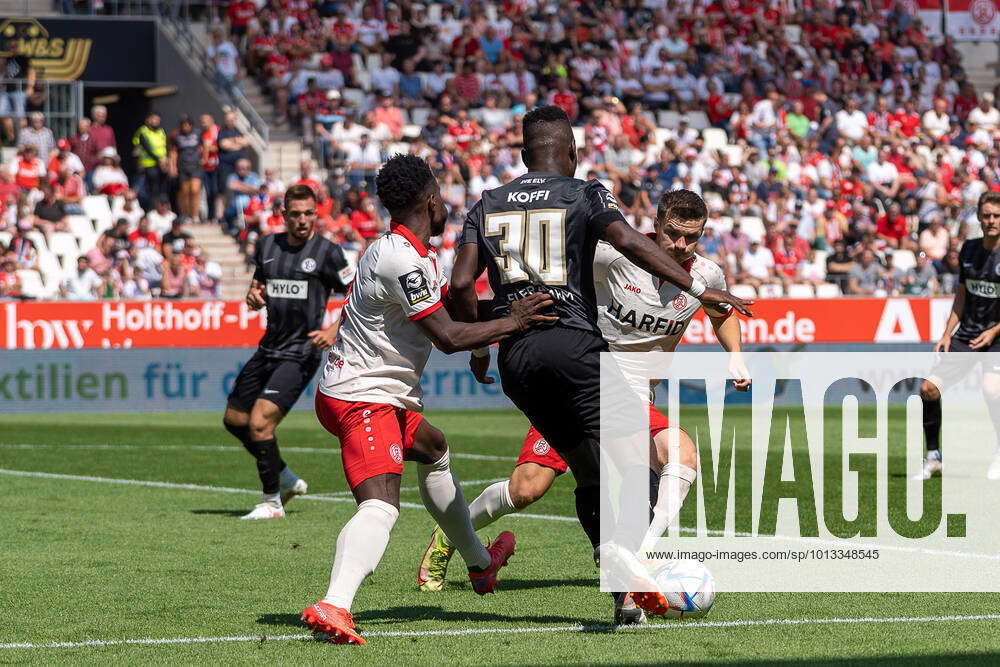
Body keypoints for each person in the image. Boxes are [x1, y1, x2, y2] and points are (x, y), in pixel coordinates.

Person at [447, 106, 751, 623]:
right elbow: (629, 242)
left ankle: (622, 593)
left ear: (523, 155)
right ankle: (625, 570)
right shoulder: (584, 192)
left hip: (516, 359)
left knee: (589, 474)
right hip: (578, 351)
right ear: (572, 153)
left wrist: (481, 347)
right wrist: (700, 287)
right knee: (640, 474)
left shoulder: (487, 202)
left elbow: (458, 287)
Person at [301, 154, 556, 645]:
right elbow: (447, 336)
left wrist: (510, 309)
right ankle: (335, 604)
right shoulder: (400, 257)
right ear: (430, 199)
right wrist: (516, 321)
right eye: (441, 195)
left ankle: (481, 565)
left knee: (434, 447)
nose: (445, 205)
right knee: (381, 508)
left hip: (370, 393)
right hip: (363, 397)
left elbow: (450, 311)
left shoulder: (406, 251)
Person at [223, 184, 355, 520]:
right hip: (269, 346)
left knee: (259, 423)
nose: (303, 220)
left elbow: (357, 297)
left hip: (302, 351)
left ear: (316, 214)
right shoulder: (267, 245)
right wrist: (253, 296)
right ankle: (284, 477)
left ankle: (271, 502)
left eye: (309, 213)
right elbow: (258, 286)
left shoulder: (328, 252)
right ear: (284, 215)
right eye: (295, 214)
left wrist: (331, 329)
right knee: (234, 420)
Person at [918, 192, 1000, 481]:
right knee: (928, 389)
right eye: (986, 215)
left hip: (997, 335)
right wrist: (946, 333)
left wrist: (993, 331)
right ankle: (933, 457)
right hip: (967, 334)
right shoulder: (969, 250)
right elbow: (961, 297)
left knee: (992, 390)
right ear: (978, 217)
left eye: (996, 216)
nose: (991, 221)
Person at [170, 115, 203, 221]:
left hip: (195, 166)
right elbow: (174, 152)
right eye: (182, 124)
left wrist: (204, 159)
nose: (185, 127)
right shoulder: (176, 136)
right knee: (185, 191)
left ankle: (195, 215)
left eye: (187, 124)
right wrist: (173, 167)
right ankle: (186, 214)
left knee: (195, 190)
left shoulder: (197, 133)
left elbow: (205, 146)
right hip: (183, 166)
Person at [133, 112, 168, 206]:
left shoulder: (161, 131)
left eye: (157, 119)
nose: (155, 121)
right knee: (153, 189)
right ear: (147, 120)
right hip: (149, 164)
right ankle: (153, 209)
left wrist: (165, 160)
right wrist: (159, 159)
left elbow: (165, 146)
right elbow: (146, 148)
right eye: (153, 119)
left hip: (163, 164)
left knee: (163, 189)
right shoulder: (143, 131)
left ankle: (163, 209)